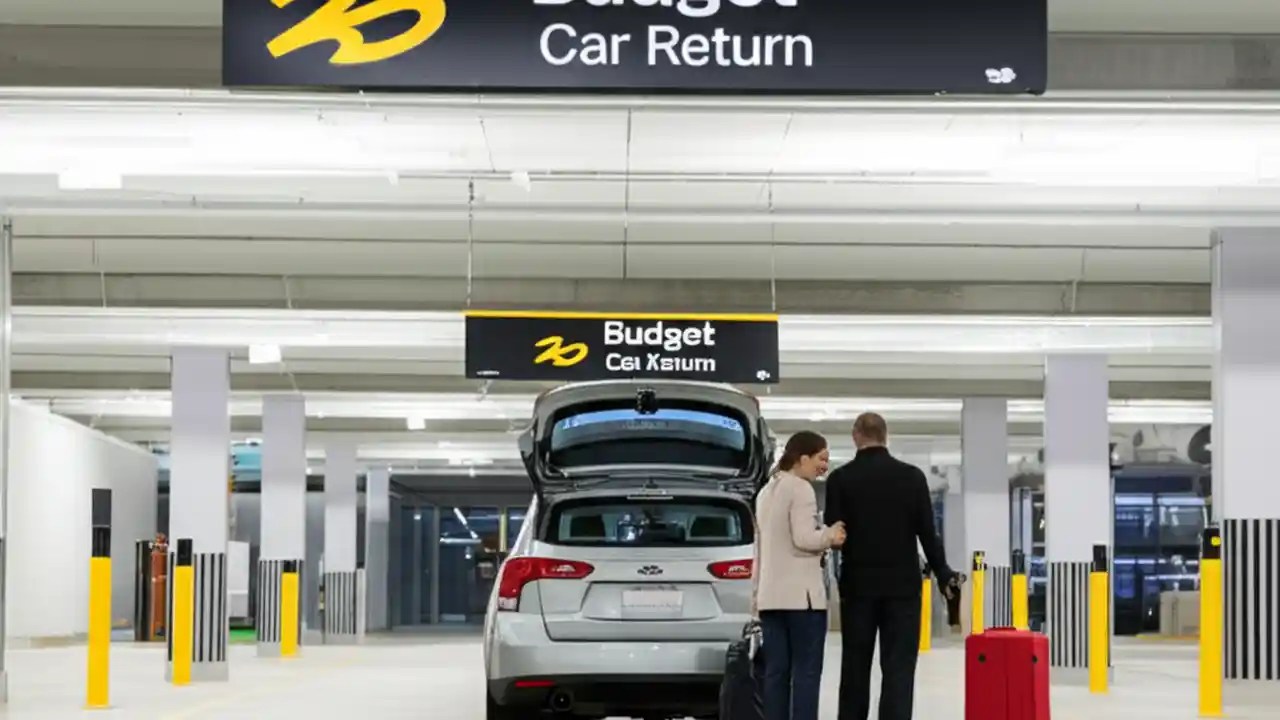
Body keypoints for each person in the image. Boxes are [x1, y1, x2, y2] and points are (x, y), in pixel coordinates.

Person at [824, 413, 960, 720]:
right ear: (885, 436)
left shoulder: (840, 479)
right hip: (903, 588)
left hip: (858, 586)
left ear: (856, 435)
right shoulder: (912, 477)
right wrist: (943, 573)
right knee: (899, 668)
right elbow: (928, 531)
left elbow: (834, 534)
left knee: (855, 666)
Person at [752, 430, 848, 720]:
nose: (824, 466)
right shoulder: (801, 488)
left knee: (776, 674)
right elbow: (804, 538)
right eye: (821, 458)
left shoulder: (766, 491)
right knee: (806, 674)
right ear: (802, 457)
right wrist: (831, 535)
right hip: (801, 602)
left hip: (771, 600)